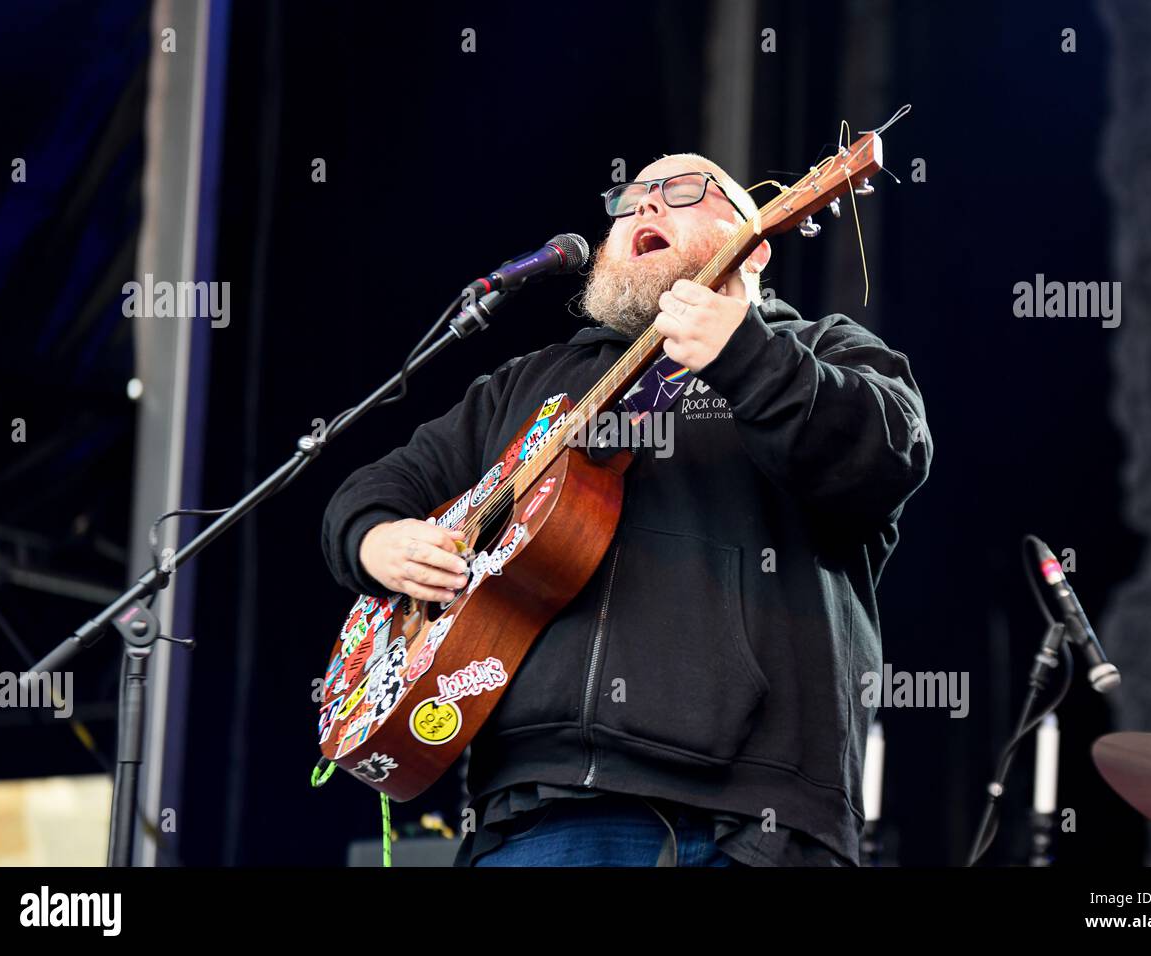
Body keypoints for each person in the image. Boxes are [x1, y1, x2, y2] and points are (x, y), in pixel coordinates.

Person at [321, 152, 932, 866]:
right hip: (526, 813)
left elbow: (886, 457)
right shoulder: (528, 382)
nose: (644, 206)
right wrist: (377, 541)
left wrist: (746, 357)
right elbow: (370, 491)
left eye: (679, 190)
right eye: (630, 197)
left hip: (741, 820)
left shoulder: (821, 350)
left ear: (757, 242)